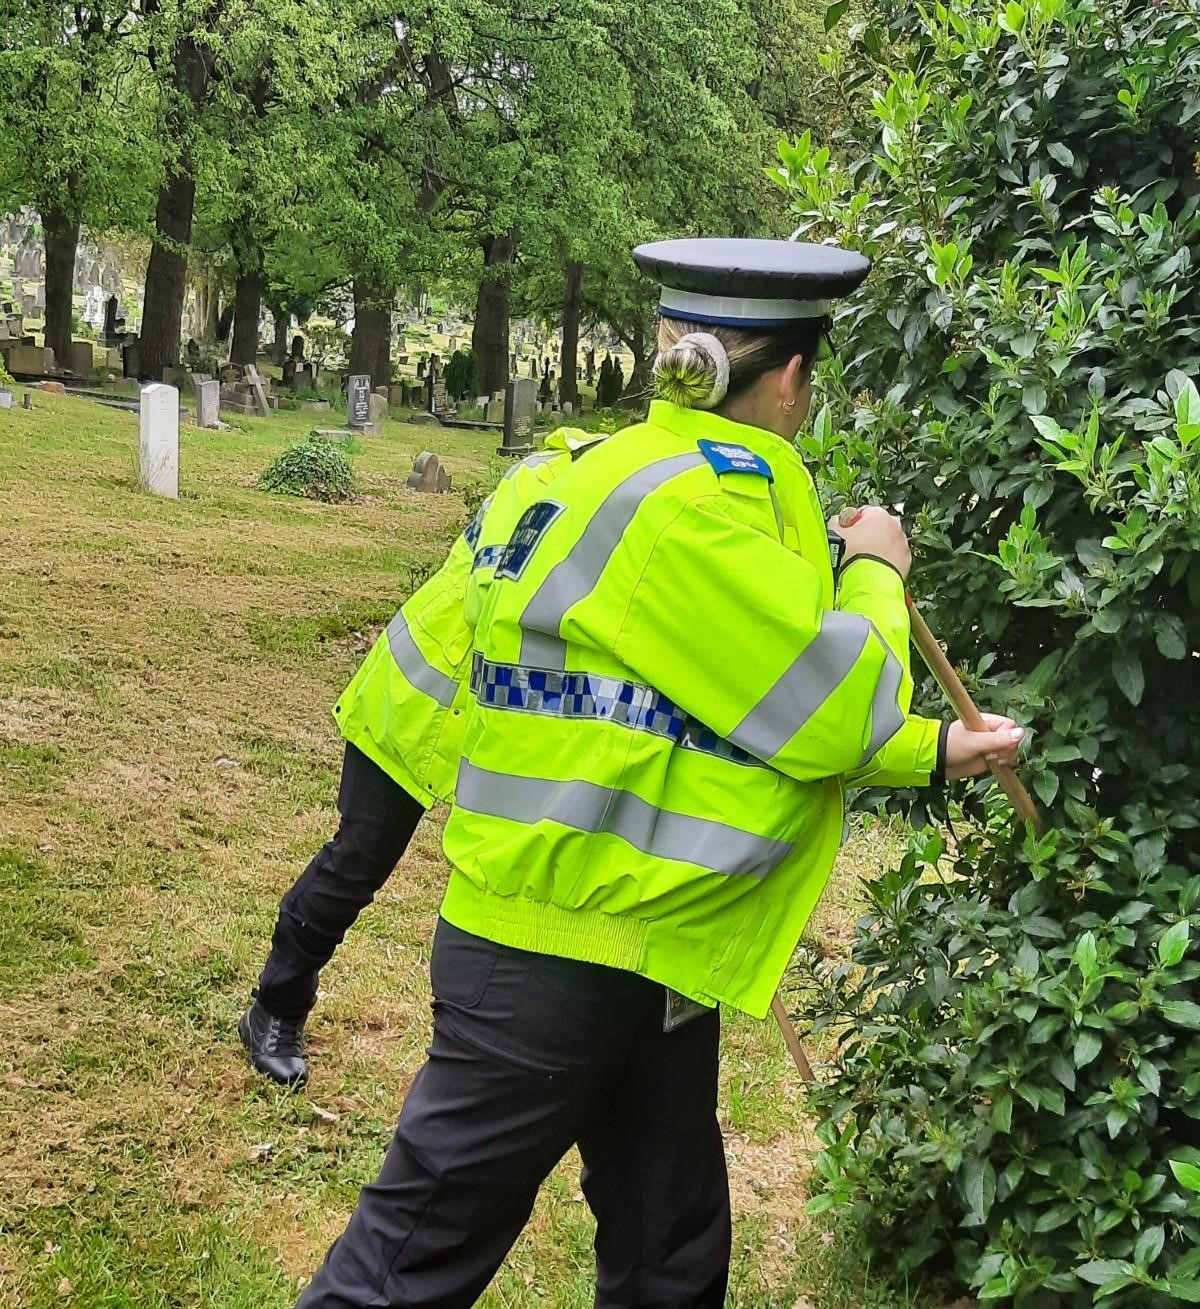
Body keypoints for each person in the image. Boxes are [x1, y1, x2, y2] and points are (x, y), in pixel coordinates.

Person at [292, 237, 1025, 1308]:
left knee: (671, 1245)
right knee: (403, 1270)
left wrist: (931, 751)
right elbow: (830, 708)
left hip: (647, 949)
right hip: (549, 961)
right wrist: (876, 570)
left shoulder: (637, 480)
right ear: (789, 378)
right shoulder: (686, 513)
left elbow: (710, 715)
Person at [239, 427, 607, 1085]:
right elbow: (514, 600)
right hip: (416, 699)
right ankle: (276, 1005)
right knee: (357, 859)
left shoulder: (605, 486)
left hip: (493, 725)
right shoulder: (549, 483)